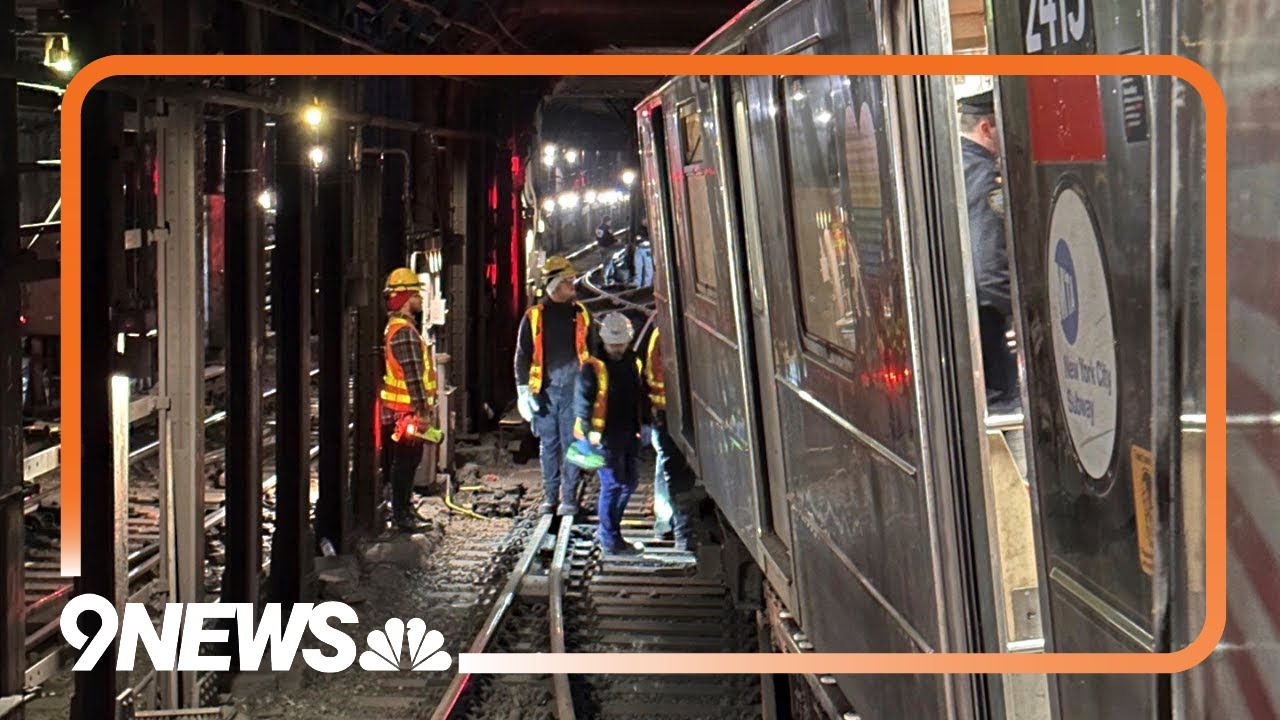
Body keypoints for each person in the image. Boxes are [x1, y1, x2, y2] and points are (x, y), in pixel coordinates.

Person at [514, 256, 593, 515]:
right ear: (554, 284)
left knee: (571, 443)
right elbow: (522, 355)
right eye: (568, 281)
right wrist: (523, 391)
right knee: (548, 444)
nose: (573, 285)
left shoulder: (581, 314)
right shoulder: (534, 317)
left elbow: (594, 353)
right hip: (545, 392)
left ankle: (568, 499)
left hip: (574, 390)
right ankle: (551, 497)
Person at [959, 89, 1020, 414]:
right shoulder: (985, 176)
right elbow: (990, 267)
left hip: (966, 320)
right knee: (1007, 411)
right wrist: (1023, 312)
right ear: (985, 128)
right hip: (991, 324)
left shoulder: (955, 165)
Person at [574, 313, 646, 556]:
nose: (617, 349)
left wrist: (646, 422)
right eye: (613, 345)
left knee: (629, 483)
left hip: (627, 430)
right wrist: (587, 433)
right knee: (613, 484)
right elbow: (583, 402)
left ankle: (609, 532)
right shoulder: (592, 367)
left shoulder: (632, 361)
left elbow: (639, 393)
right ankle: (610, 538)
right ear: (604, 341)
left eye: (621, 344)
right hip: (604, 435)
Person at [380, 268, 441, 532]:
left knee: (406, 463)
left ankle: (404, 510)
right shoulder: (404, 332)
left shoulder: (398, 328)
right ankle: (402, 515)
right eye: (415, 293)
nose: (419, 298)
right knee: (405, 464)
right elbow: (414, 376)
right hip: (406, 413)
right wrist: (423, 411)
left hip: (401, 411)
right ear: (405, 297)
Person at [640, 323, 692, 551]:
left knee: (667, 466)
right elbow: (654, 376)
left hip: (669, 412)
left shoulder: (662, 334)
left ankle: (667, 523)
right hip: (665, 414)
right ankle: (674, 527)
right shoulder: (662, 336)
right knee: (671, 468)